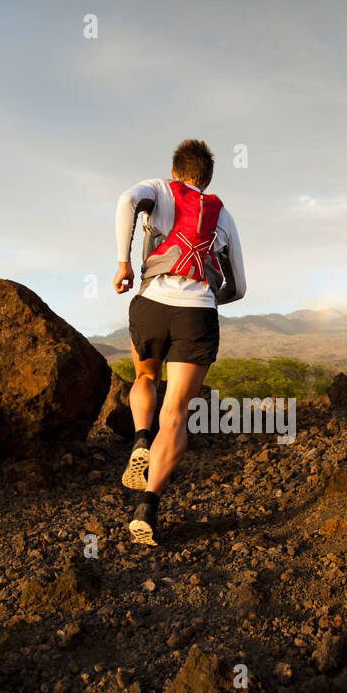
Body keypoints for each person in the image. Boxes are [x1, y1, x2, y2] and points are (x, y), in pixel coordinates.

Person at [113, 138, 246, 544]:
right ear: (206, 178)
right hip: (198, 314)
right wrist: (206, 296)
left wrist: (123, 263)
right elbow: (238, 287)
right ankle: (148, 507)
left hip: (151, 303)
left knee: (145, 377)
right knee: (176, 414)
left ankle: (139, 439)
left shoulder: (158, 188)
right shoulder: (222, 214)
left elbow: (125, 201)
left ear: (175, 172)